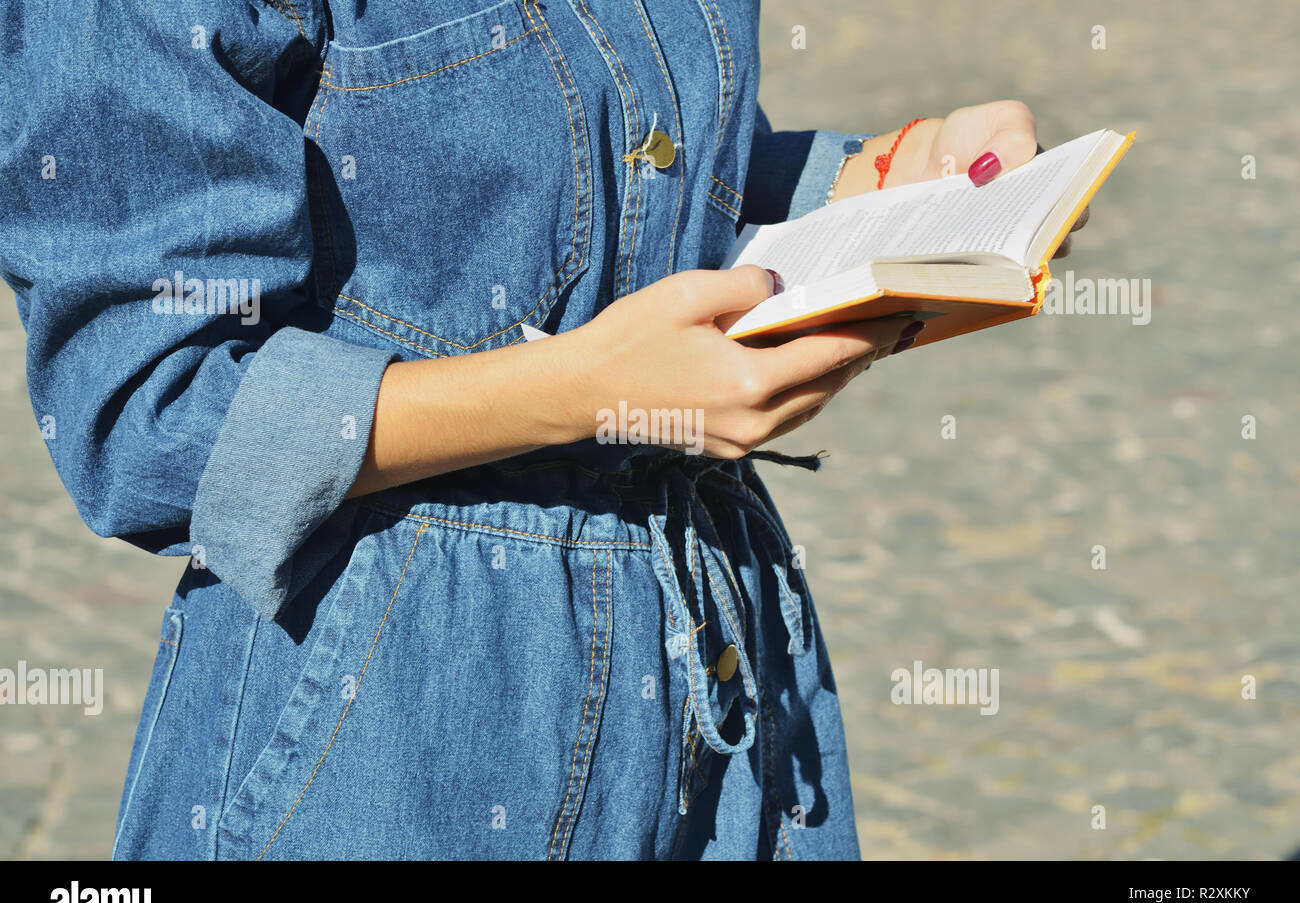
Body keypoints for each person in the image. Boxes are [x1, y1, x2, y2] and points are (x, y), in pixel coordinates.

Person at [0, 0, 1084, 859]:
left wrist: (886, 185)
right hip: (391, 714)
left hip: (717, 671)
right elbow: (145, 410)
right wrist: (583, 392)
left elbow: (613, 168)